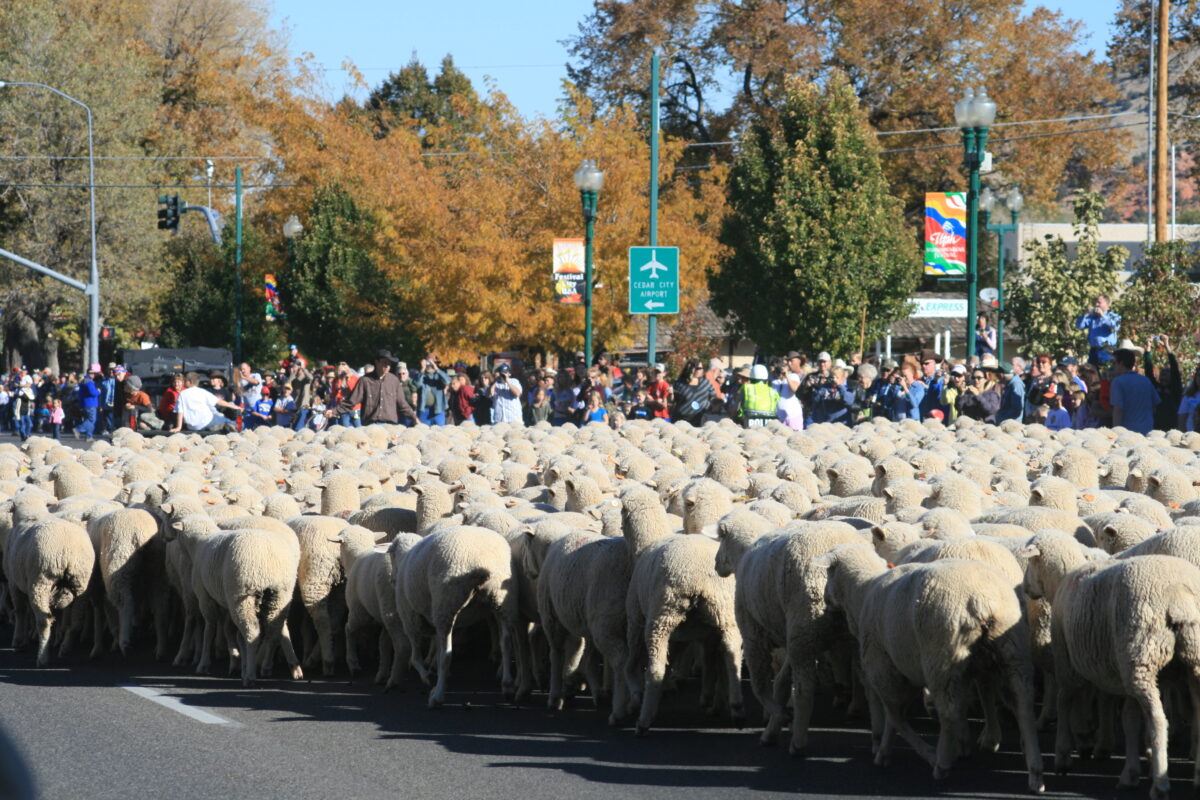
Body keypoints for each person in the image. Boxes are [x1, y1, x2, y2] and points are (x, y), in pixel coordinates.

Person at [331, 350, 420, 426]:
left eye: (389, 363)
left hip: (390, 426)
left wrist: (414, 418)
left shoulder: (394, 381)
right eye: (384, 362)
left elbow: (402, 404)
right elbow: (351, 401)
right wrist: (334, 411)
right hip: (371, 426)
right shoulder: (365, 380)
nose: (387, 365)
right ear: (376, 362)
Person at [1109, 347, 1160, 434]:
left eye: (1114, 363)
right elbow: (1155, 406)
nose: (1112, 366)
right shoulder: (1145, 380)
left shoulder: (1118, 382)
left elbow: (1118, 409)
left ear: (1121, 363)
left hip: (1128, 432)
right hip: (1147, 430)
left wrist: (1115, 432)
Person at [169, 372, 242, 433]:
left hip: (192, 426)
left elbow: (180, 412)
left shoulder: (182, 394)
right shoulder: (202, 392)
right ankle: (231, 426)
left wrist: (178, 427)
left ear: (189, 382)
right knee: (227, 419)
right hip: (207, 422)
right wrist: (236, 407)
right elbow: (218, 402)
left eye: (185, 381)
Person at [1075, 294, 1121, 365]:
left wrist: (1103, 316)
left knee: (1106, 373)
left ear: (1107, 303)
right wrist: (1085, 314)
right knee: (1091, 373)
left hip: (1107, 351)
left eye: (1099, 302)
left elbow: (1115, 327)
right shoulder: (1092, 317)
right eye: (1096, 302)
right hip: (1093, 351)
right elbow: (1079, 326)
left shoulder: (1113, 316)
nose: (1096, 304)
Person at [672, 359, 715, 426]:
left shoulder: (706, 383)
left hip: (700, 419)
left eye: (701, 368)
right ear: (691, 368)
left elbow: (713, 397)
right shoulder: (679, 384)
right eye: (698, 368)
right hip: (682, 419)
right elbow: (673, 400)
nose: (700, 370)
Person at [740, 364, 780, 428]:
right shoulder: (773, 391)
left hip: (749, 423)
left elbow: (736, 407)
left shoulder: (746, 387)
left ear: (751, 377)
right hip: (769, 423)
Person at [415, 353, 450, 426]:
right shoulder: (421, 375)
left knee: (440, 433)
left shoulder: (439, 375)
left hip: (438, 410)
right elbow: (417, 384)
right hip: (424, 410)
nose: (429, 365)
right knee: (423, 432)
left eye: (432, 362)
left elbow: (447, 381)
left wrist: (436, 368)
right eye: (428, 362)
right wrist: (422, 369)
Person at [73, 364, 102, 441]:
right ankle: (78, 429)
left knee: (88, 419)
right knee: (92, 420)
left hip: (85, 403)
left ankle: (89, 436)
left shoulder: (83, 381)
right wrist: (98, 392)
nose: (93, 375)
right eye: (93, 374)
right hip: (90, 403)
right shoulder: (89, 382)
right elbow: (92, 392)